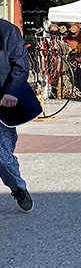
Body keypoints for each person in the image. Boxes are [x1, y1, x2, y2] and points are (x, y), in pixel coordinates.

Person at [0, 20, 35, 212]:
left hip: (2, 100)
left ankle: (17, 187)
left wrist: (12, 92)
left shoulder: (7, 32)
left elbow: (21, 66)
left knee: (2, 155)